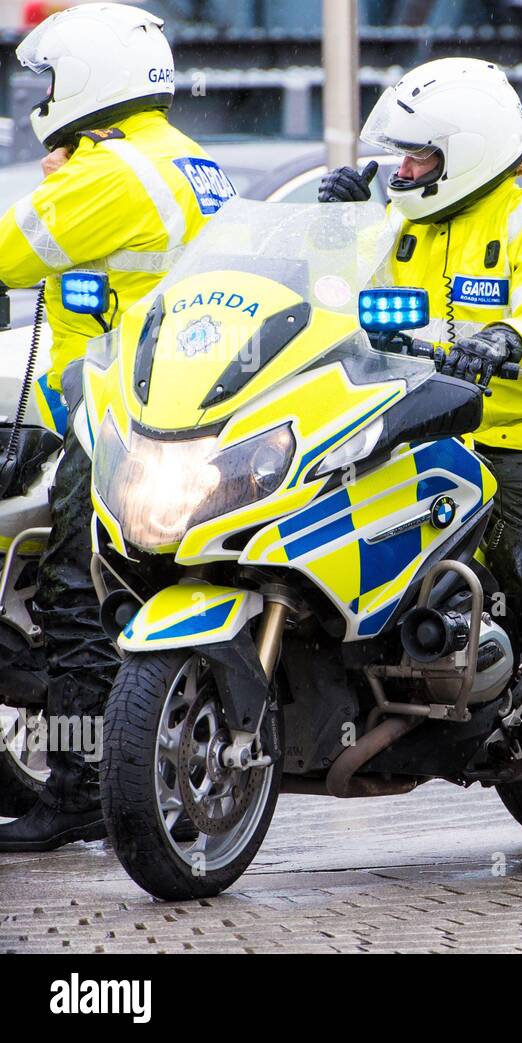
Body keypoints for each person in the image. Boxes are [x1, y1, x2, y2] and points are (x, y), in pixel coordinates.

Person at [318, 57, 522, 869]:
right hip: (417, 429)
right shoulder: (401, 223)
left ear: (470, 150)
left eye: (419, 156)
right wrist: (338, 237)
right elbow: (333, 314)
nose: (402, 170)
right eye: (401, 156)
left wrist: (509, 339)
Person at [0, 4, 234, 851]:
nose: (44, 97)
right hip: (174, 409)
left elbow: (8, 250)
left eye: (52, 80)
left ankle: (76, 784)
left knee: (70, 595)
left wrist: (57, 179)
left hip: (127, 422)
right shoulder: (185, 159)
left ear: (91, 80)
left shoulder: (110, 174)